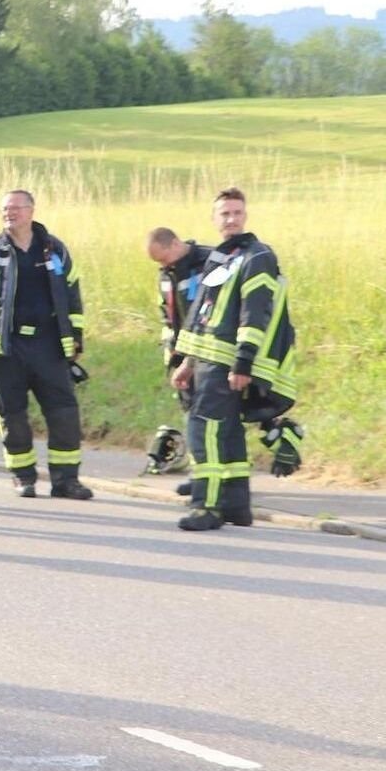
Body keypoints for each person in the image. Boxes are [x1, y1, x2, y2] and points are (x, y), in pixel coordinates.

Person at [170, 187, 300, 531]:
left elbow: (255, 311)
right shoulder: (219, 258)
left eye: (237, 213)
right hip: (209, 362)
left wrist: (243, 362)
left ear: (245, 216)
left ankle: (206, 507)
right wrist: (187, 363)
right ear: (214, 219)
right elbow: (201, 315)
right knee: (226, 434)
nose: (231, 219)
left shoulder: (257, 257)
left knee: (205, 432)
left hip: (228, 364)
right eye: (224, 214)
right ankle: (236, 506)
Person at [0, 190, 92, 499]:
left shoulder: (54, 249)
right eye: (5, 209)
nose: (10, 213)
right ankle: (23, 477)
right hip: (5, 348)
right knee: (12, 415)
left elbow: (72, 293)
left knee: (63, 412)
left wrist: (76, 336)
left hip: (49, 345)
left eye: (16, 208)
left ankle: (66, 480)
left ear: (31, 211)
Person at [143, 228, 213, 474]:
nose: (162, 265)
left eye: (162, 258)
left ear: (174, 243)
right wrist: (172, 355)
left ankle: (214, 474)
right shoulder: (167, 274)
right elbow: (168, 316)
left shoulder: (208, 262)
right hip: (183, 353)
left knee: (212, 415)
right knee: (191, 412)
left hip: (210, 352)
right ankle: (201, 473)